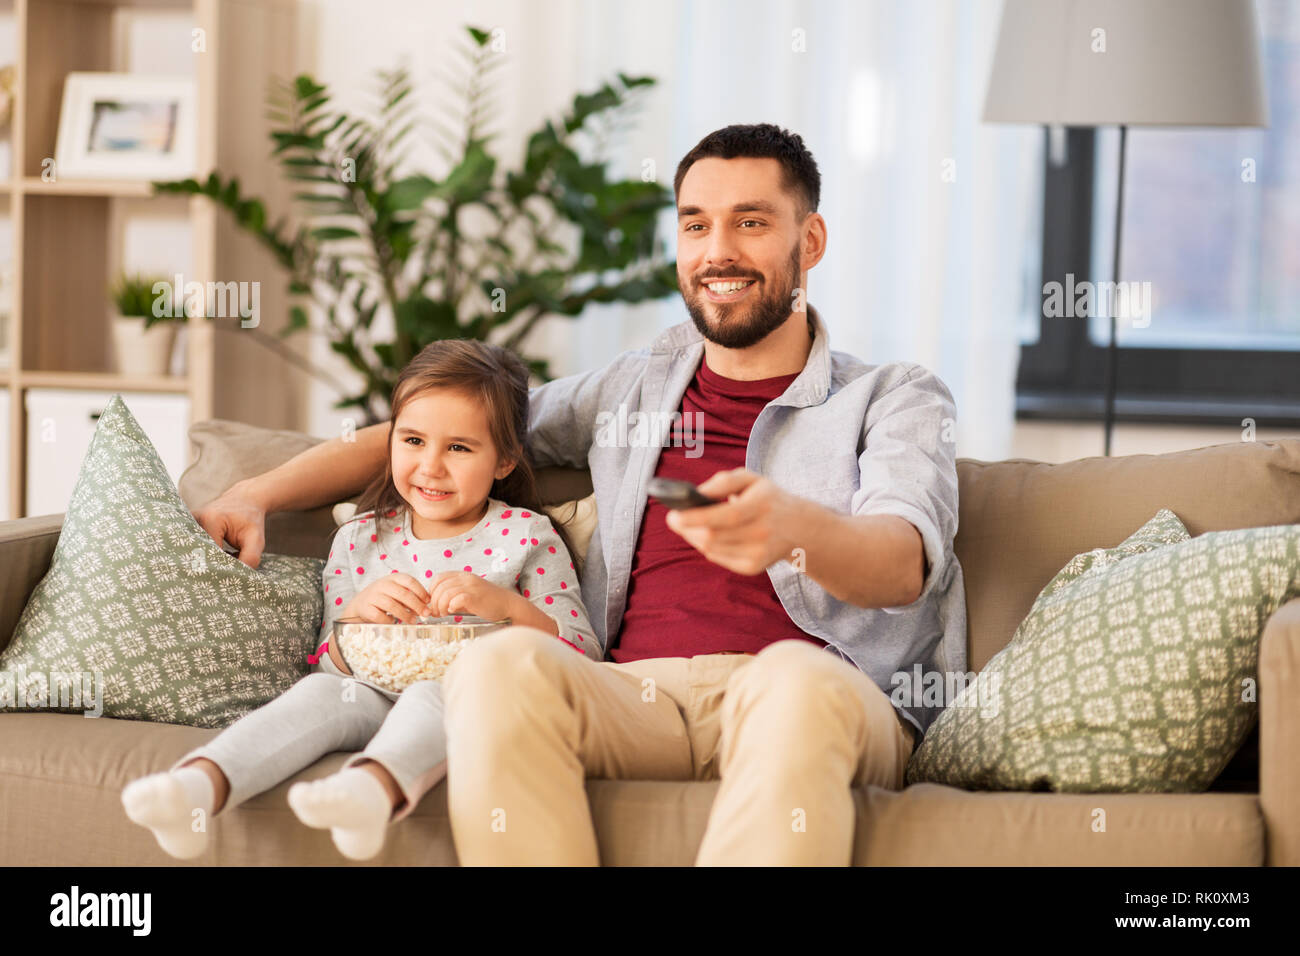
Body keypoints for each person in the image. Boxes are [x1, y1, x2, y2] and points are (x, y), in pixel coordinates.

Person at [194, 123, 966, 866]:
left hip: (814, 690)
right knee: (494, 671)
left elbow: (903, 565)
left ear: (811, 241)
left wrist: (795, 530)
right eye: (695, 225)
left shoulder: (891, 398)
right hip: (633, 698)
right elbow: (445, 427)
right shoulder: (632, 388)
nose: (718, 251)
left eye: (751, 223)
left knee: (790, 681)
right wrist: (258, 492)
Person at [122, 339, 596, 860]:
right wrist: (355, 617)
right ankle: (196, 789)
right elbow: (326, 660)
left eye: (459, 448)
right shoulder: (359, 538)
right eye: (413, 440)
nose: (430, 466)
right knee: (315, 697)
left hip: (468, 699)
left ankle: (369, 793)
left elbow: (583, 654)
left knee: (428, 695)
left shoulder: (527, 537)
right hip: (363, 693)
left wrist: (507, 609)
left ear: (505, 459)